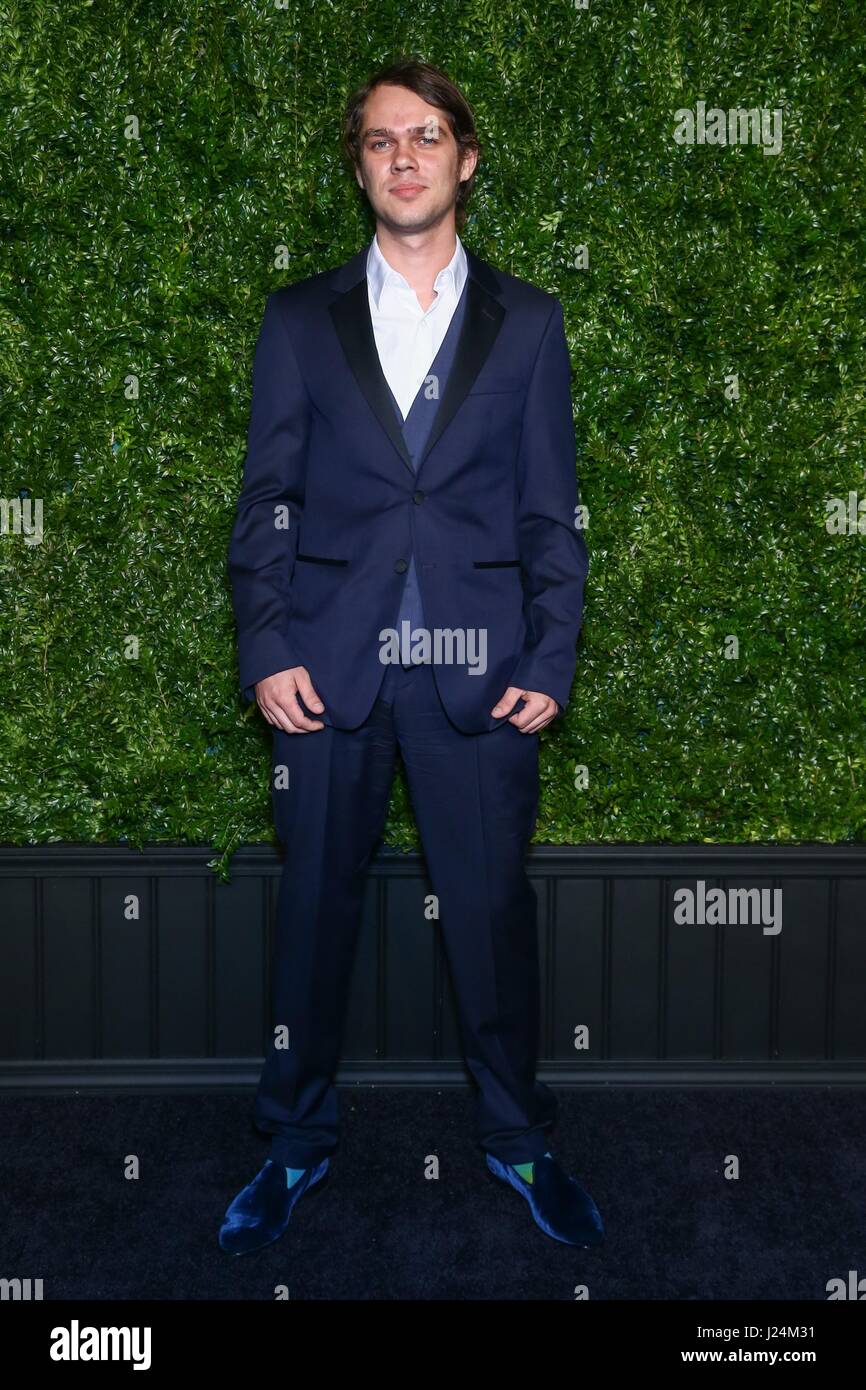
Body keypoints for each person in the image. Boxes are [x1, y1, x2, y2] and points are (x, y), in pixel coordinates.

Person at [220, 56, 602, 1256]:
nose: (404, 156)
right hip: (325, 674)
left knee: (489, 918)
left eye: (426, 135)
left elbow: (551, 512)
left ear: (464, 158)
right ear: (359, 165)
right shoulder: (298, 320)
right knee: (312, 924)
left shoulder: (530, 323)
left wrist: (553, 649)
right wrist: (264, 642)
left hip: (483, 675)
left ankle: (517, 1141)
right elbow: (263, 498)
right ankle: (292, 1146)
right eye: (382, 139)